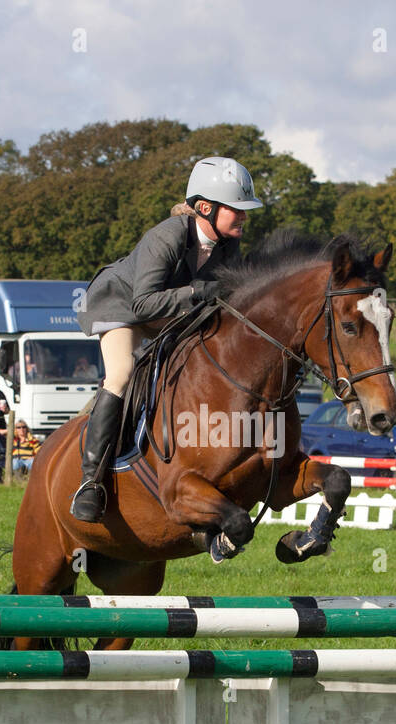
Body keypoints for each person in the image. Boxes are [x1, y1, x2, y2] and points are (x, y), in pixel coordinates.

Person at [69, 155, 263, 522]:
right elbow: (144, 304)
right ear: (205, 207)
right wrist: (196, 291)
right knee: (122, 374)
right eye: (236, 209)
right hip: (122, 307)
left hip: (167, 312)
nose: (244, 216)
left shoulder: (227, 244)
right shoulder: (168, 234)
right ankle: (91, 480)